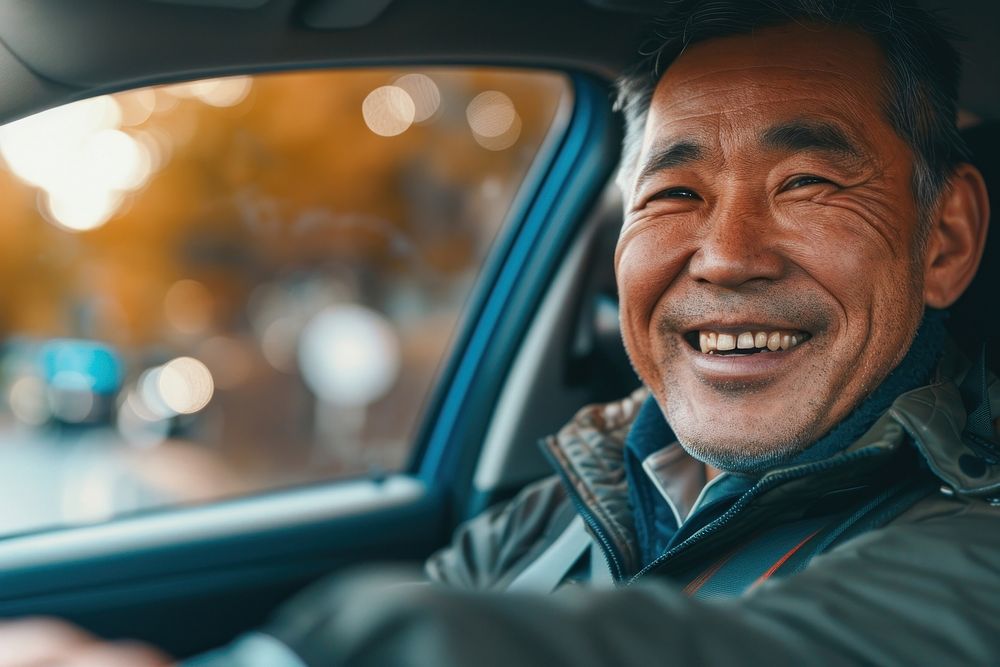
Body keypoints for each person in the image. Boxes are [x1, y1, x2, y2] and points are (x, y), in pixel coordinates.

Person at [2, 0, 998, 664]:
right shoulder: (560, 502)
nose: (725, 254)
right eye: (673, 192)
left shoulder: (972, 549)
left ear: (944, 240)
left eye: (808, 182)